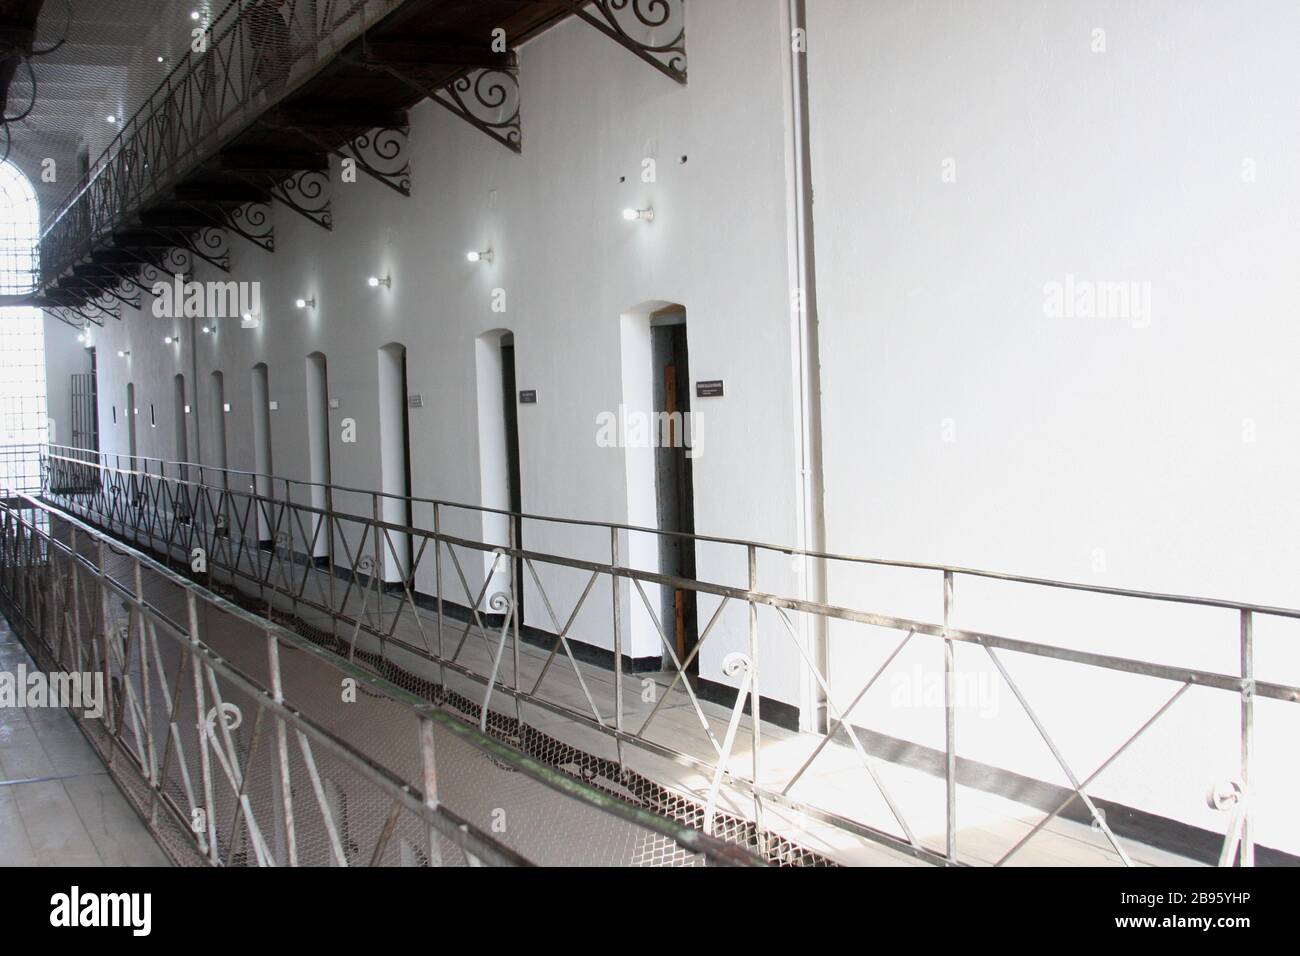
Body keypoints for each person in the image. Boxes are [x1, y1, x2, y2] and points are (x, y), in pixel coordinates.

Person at [247, 0, 292, 95]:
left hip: (279, 56)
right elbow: (256, 33)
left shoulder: (276, 15)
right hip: (269, 57)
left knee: (279, 85)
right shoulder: (261, 12)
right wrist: (264, 50)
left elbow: (283, 35)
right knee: (273, 87)